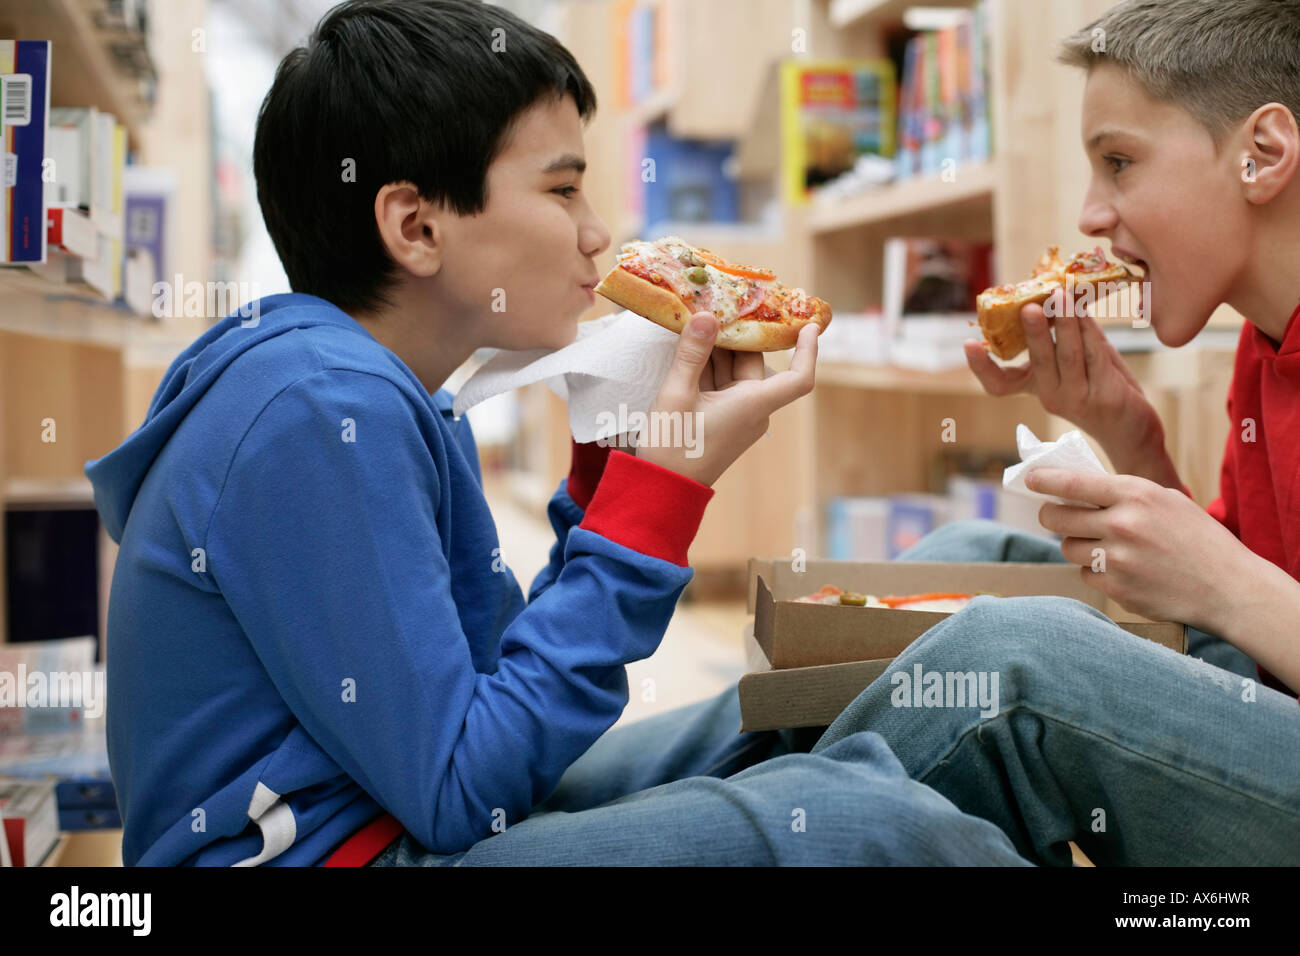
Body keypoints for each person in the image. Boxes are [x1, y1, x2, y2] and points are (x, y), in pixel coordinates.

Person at [85, 0, 1028, 866]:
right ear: (416, 226)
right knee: (864, 822)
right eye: (564, 189)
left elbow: (497, 699)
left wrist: (612, 464)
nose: (598, 231)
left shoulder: (388, 394)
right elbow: (468, 787)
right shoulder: (322, 411)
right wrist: (656, 501)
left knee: (801, 719)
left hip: (389, 810)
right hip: (350, 848)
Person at [811, 0, 1300, 866]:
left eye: (1119, 162)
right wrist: (1125, 430)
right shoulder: (1263, 349)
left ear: (1263, 154)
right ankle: (728, 803)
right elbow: (1244, 628)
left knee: (1017, 663)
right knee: (975, 551)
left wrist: (1222, 581)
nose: (1089, 214)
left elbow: (1234, 598)